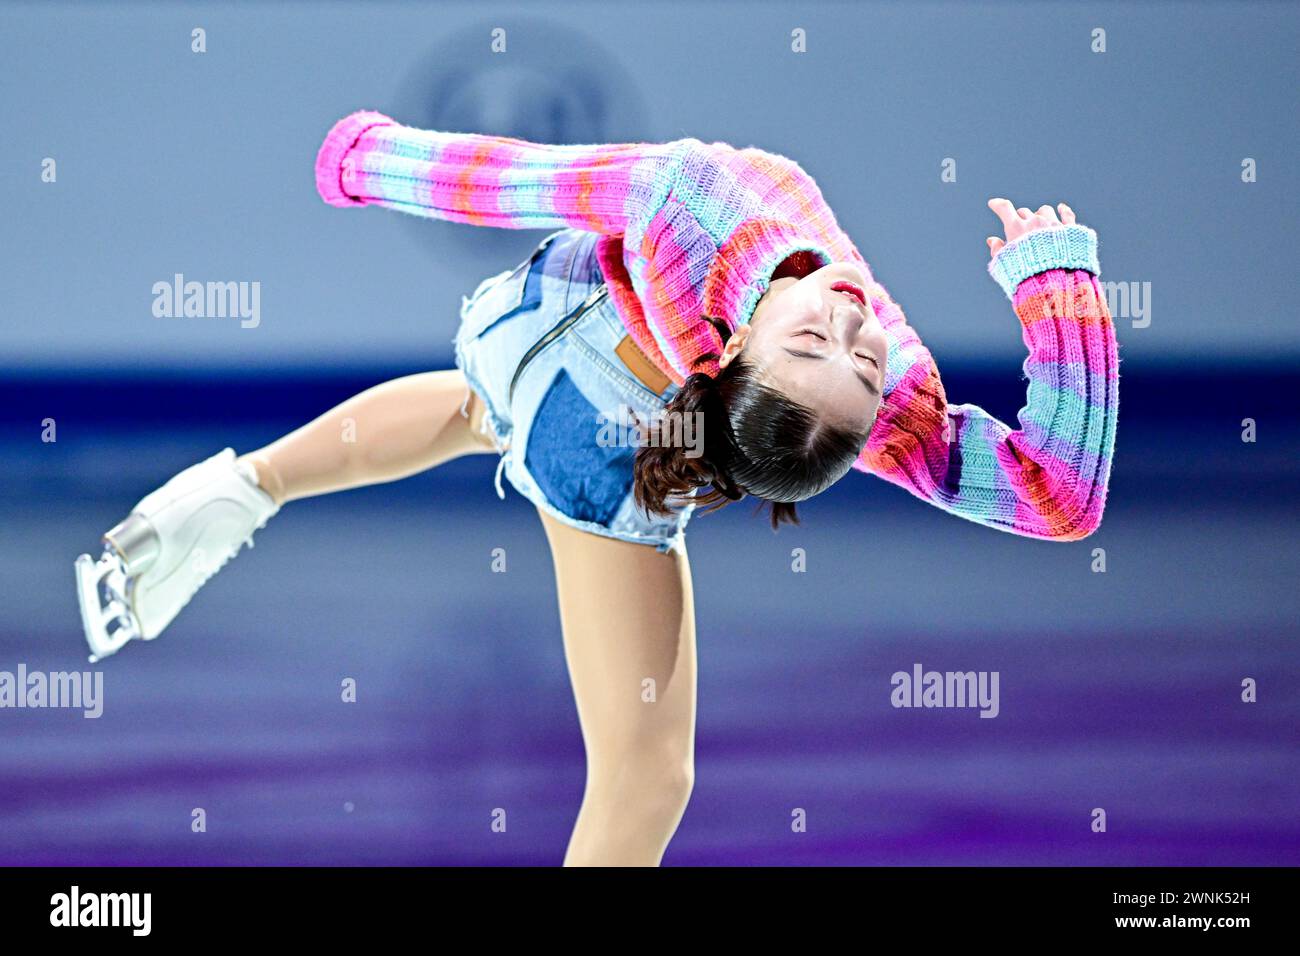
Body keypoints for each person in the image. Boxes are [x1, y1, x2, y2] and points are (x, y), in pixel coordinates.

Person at [74, 110, 1119, 866]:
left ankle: (240, 488)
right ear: (732, 345)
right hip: (589, 395)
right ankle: (245, 491)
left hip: (535, 342)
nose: (855, 323)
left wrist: (1058, 284)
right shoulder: (698, 209)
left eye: (852, 359)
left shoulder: (863, 379)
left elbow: (1060, 501)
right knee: (648, 775)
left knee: (484, 412)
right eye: (826, 337)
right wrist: (362, 161)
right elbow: (519, 176)